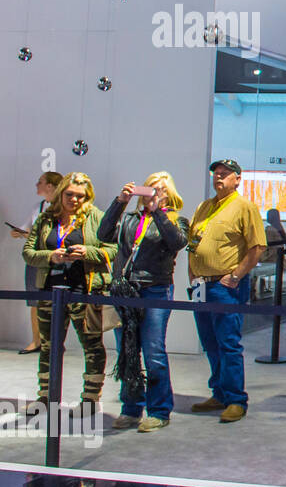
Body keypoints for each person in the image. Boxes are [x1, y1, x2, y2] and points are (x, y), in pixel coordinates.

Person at [99, 173, 190, 432]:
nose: (155, 192)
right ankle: (131, 408)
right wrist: (120, 202)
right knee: (127, 350)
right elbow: (103, 233)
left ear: (169, 195)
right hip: (125, 291)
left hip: (155, 290)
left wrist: (158, 212)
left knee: (154, 351)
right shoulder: (129, 219)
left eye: (161, 190)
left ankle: (159, 410)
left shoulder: (176, 220)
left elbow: (176, 243)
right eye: (152, 188)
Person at [22, 172, 116, 416]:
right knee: (49, 346)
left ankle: (90, 399)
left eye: (80, 196)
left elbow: (112, 249)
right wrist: (51, 256)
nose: (74, 200)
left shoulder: (96, 217)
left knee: (92, 345)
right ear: (61, 192)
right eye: (70, 194)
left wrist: (87, 252)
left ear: (88, 196)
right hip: (50, 291)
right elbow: (28, 253)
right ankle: (45, 397)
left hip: (86, 290)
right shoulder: (46, 218)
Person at [187, 159, 266, 424]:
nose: (218, 178)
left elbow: (258, 247)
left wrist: (235, 275)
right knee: (210, 342)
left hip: (225, 286)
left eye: (225, 174)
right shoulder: (204, 207)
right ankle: (219, 393)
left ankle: (235, 399)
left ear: (237, 179)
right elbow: (192, 243)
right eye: (216, 174)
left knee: (228, 343)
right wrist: (192, 274)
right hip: (200, 284)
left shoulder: (245, 207)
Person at [13, 171, 62, 354]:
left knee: (57, 302)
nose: (36, 185)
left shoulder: (62, 207)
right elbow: (27, 230)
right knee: (34, 301)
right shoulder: (39, 207)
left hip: (56, 261)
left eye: (40, 182)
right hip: (37, 260)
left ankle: (54, 341)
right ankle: (37, 340)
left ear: (50, 185)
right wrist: (21, 233)